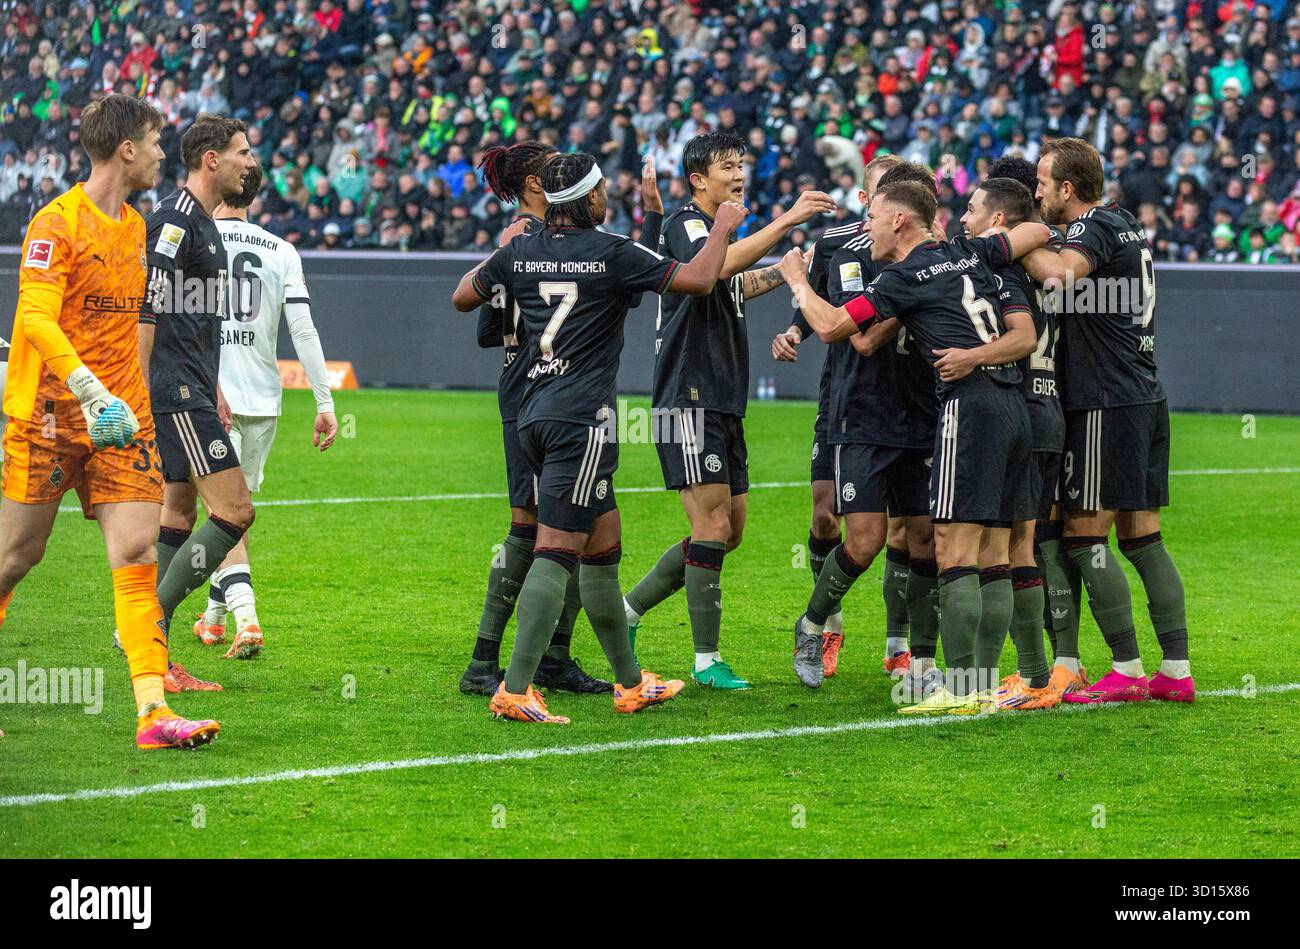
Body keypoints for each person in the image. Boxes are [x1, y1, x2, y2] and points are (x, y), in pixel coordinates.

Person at [451, 152, 744, 723]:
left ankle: (631, 684)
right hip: (581, 422)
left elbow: (464, 296)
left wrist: (504, 252)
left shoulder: (520, 250)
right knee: (556, 550)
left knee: (602, 553)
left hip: (531, 412)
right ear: (588, 199)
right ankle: (513, 688)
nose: (608, 196)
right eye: (603, 189)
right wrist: (726, 227)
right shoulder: (612, 250)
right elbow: (700, 278)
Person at [781, 180, 1049, 714]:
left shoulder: (904, 274)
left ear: (900, 221)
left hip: (956, 413)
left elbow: (839, 328)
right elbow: (1036, 229)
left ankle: (946, 678)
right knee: (953, 547)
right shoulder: (968, 250)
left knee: (947, 548)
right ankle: (818, 624)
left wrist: (795, 280)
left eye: (875, 214)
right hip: (1008, 406)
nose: (867, 224)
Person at [0, 94, 218, 749]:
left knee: (136, 555)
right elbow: (36, 319)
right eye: (154, 142)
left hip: (122, 423)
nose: (160, 154)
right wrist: (90, 391)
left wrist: (127, 400)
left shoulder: (136, 227)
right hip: (48, 416)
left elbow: (131, 324)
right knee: (15, 557)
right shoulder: (55, 223)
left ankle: (153, 713)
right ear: (126, 148)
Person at [622, 131, 836, 690]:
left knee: (728, 531)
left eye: (741, 164)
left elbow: (735, 282)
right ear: (698, 179)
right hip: (687, 396)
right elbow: (711, 271)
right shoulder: (686, 225)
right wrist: (786, 221)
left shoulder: (719, 235)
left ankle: (625, 613)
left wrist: (794, 270)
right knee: (711, 525)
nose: (738, 174)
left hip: (722, 398)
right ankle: (705, 659)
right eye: (726, 167)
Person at [1022, 137, 1194, 703]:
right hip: (1145, 394)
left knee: (1084, 536)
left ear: (1068, 189)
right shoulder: (1126, 223)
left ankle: (1126, 668)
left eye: (1044, 183)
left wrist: (1014, 241)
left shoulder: (1091, 228)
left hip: (1105, 400)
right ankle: (1175, 671)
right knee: (1143, 538)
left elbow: (1062, 275)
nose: (1038, 191)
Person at [191, 162, 339, 657]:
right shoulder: (282, 250)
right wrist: (324, 401)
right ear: (254, 198)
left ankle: (247, 619)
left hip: (212, 399)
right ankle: (212, 618)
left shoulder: (199, 240)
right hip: (264, 402)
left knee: (219, 513)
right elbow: (304, 331)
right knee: (232, 515)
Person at [771, 153, 908, 681]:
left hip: (905, 400)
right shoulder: (835, 244)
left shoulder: (921, 252)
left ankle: (898, 645)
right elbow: (815, 309)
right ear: (865, 197)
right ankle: (829, 622)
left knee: (904, 531)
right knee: (825, 514)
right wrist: (793, 332)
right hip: (844, 400)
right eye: (879, 190)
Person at [139, 113, 258, 688]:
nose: (250, 163)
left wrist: (214, 386)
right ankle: (148, 628)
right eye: (242, 152)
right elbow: (149, 308)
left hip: (194, 388)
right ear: (211, 159)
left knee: (180, 513)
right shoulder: (174, 218)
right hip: (175, 392)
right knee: (235, 512)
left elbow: (192, 317)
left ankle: (153, 656)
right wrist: (143, 389)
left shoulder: (204, 223)